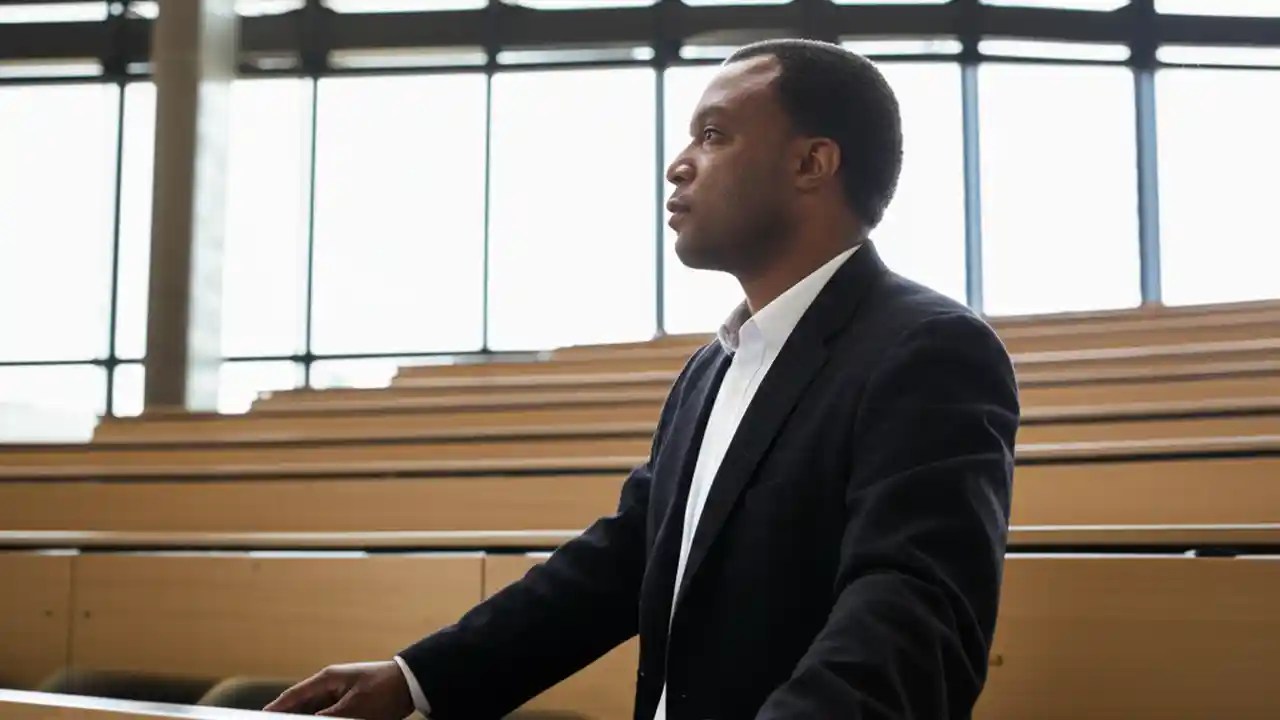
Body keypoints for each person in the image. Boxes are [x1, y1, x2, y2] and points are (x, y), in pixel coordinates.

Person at [265, 38, 1019, 720]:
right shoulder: (712, 365)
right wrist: (416, 678)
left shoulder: (929, 349)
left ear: (811, 163)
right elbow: (624, 562)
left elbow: (912, 614)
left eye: (715, 134)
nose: (679, 162)